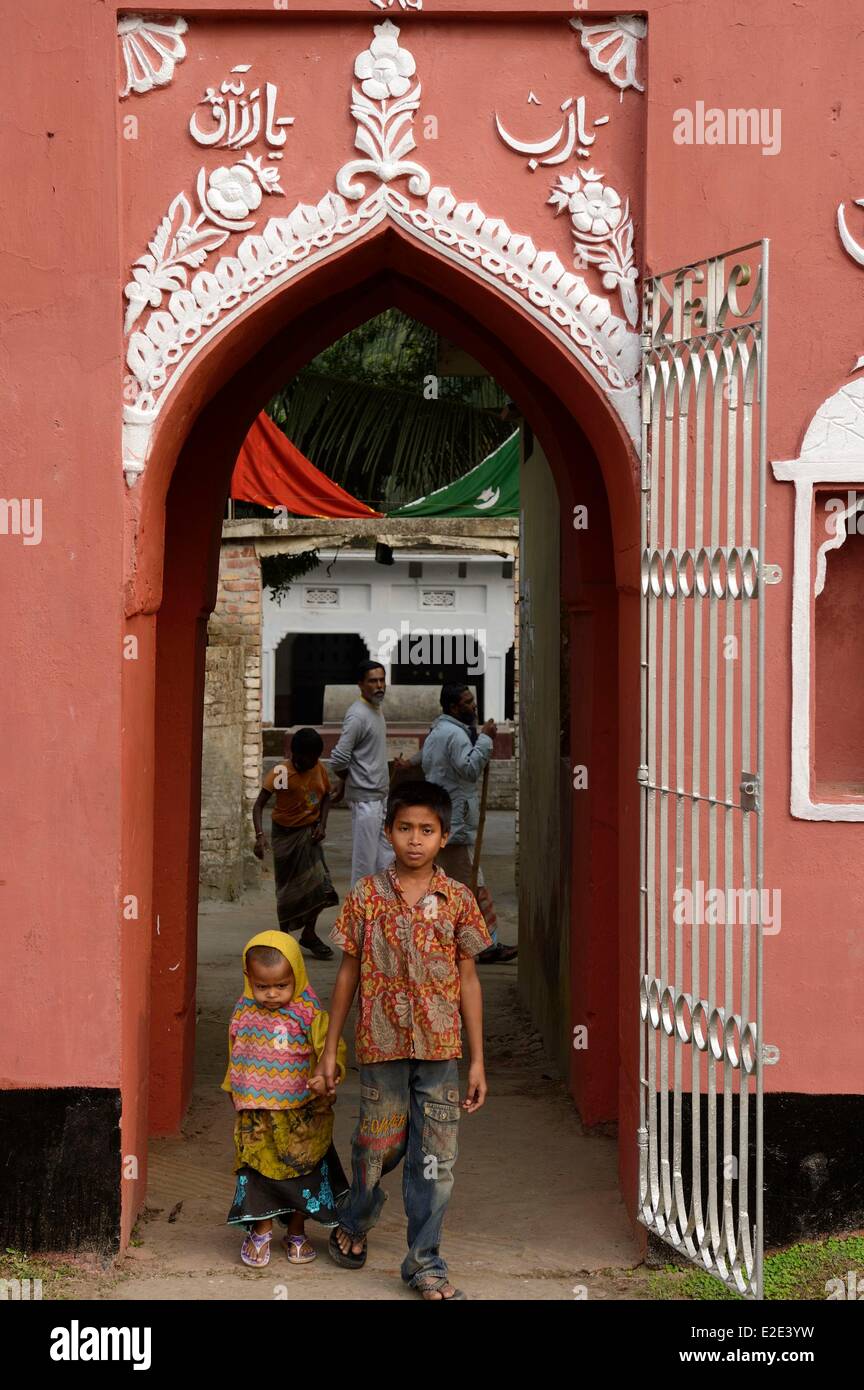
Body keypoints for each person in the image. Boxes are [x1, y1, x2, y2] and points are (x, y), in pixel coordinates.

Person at [314, 780, 492, 1301]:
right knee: (378, 1150)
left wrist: (477, 1061)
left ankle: (424, 1263)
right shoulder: (367, 897)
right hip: (381, 1049)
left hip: (440, 1054)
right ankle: (355, 1217)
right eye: (406, 828)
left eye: (427, 830)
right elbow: (348, 973)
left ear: (443, 837)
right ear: (388, 832)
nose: (415, 839)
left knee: (435, 1162)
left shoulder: (457, 899)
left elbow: (469, 980)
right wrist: (330, 1048)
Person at [222, 931, 348, 1268]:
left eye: (281, 985)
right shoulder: (243, 1010)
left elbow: (330, 1051)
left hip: (299, 1115)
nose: (272, 994)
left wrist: (328, 1074)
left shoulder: (308, 1012)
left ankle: (296, 1231)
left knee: (299, 1173)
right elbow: (237, 1053)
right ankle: (260, 1230)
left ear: (298, 976)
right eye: (263, 987)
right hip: (257, 1114)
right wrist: (233, 1089)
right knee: (257, 1173)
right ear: (249, 980)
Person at [402, 683, 517, 964]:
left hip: (444, 820)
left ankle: (481, 941)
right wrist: (486, 741)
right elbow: (469, 769)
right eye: (467, 702)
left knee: (461, 885)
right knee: (467, 886)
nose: (473, 706)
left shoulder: (438, 732)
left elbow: (425, 761)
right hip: (455, 823)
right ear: (454, 707)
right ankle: (477, 943)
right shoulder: (455, 735)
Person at [252, 726, 337, 960]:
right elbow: (259, 805)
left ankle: (309, 933)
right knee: (288, 890)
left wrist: (322, 824)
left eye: (316, 756)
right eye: (307, 756)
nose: (312, 761)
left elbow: (327, 796)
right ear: (294, 754)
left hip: (309, 835)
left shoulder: (318, 769)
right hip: (285, 836)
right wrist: (260, 836)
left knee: (322, 888)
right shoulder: (281, 773)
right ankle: (283, 939)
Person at [328, 660, 396, 886]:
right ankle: (358, 918)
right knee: (364, 865)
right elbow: (338, 758)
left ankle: (382, 914)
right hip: (365, 799)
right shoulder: (357, 715)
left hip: (381, 796)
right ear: (360, 684)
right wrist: (350, 781)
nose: (379, 686)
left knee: (386, 860)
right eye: (373, 681)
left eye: (381, 680)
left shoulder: (376, 709)